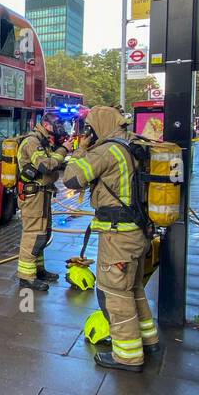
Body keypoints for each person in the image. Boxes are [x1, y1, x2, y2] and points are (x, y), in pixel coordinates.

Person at [61, 105, 158, 372]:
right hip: (138, 232)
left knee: (115, 293)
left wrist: (81, 149)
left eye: (90, 128)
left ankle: (127, 356)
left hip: (119, 236)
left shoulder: (108, 151)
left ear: (100, 125)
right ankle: (148, 340)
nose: (88, 133)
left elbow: (71, 178)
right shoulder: (132, 145)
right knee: (133, 289)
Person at [15, 111, 70, 290]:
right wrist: (64, 149)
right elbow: (46, 165)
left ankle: (38, 270)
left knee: (43, 234)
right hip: (33, 196)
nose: (60, 128)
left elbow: (53, 163)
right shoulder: (33, 142)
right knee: (33, 234)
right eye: (57, 125)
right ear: (46, 125)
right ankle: (26, 277)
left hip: (42, 194)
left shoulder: (43, 141)